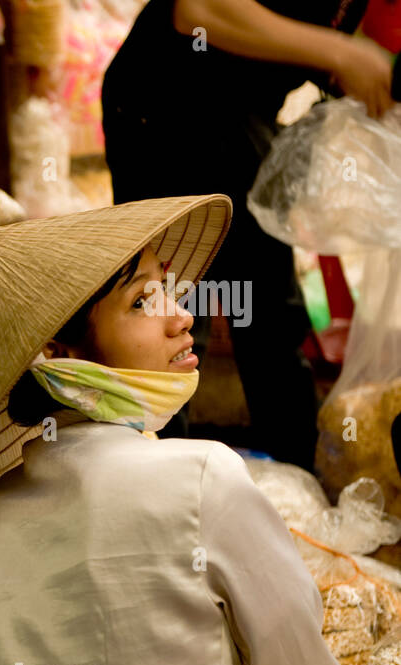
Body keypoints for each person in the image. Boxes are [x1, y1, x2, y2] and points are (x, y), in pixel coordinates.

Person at [0, 194, 398, 665]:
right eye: (142, 303)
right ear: (58, 348)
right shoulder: (202, 478)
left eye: (171, 294)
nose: (183, 317)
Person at [101, 0, 396, 470]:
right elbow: (198, 10)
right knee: (172, 313)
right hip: (164, 105)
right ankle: (155, 489)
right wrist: (340, 52)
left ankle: (301, 495)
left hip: (240, 114)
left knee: (272, 317)